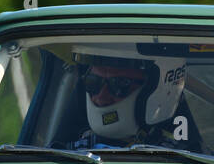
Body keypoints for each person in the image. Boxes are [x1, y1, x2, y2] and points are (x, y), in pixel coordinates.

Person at [68, 52, 206, 152]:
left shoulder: (185, 163)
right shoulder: (62, 155)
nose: (101, 97)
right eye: (93, 82)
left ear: (155, 90)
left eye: (120, 85)